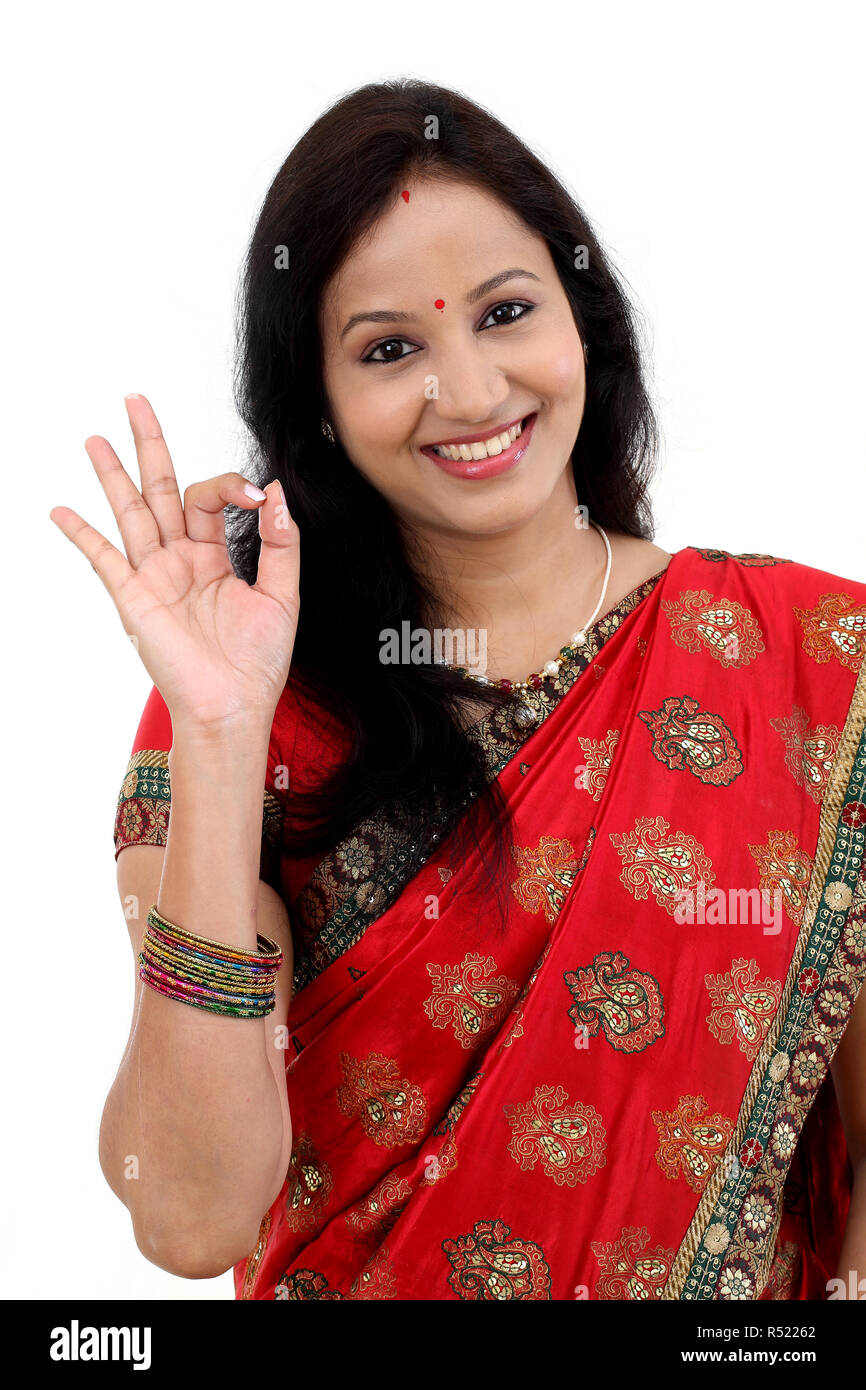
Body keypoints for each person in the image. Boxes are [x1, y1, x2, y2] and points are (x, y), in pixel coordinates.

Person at [50, 79, 866, 1301]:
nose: (472, 392)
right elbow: (184, 1212)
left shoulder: (816, 662)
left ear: (579, 317)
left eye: (504, 312)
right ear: (314, 408)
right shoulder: (245, 716)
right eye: (389, 348)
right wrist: (223, 735)